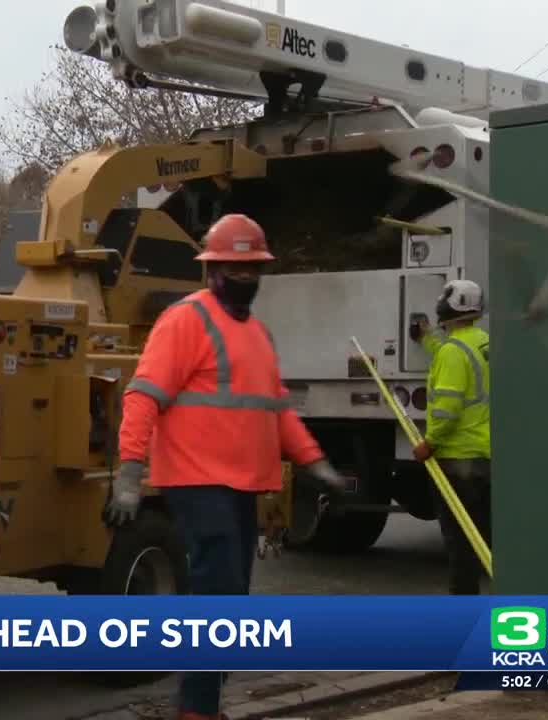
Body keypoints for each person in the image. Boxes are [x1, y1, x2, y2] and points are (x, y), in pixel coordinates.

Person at [105, 214, 346, 720]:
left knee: (231, 599)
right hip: (196, 482)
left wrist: (315, 462)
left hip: (241, 486)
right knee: (217, 598)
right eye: (234, 270)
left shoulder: (258, 335)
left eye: (251, 269)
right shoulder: (184, 321)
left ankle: (205, 700)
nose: (243, 278)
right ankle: (197, 709)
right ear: (211, 270)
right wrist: (129, 473)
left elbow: (277, 410)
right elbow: (143, 395)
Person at [409, 279, 491, 595]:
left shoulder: (453, 352)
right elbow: (453, 357)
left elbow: (447, 409)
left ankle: (464, 612)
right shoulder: (483, 343)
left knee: (460, 548)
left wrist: (428, 444)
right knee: (482, 539)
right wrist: (428, 338)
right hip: (485, 456)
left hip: (457, 460)